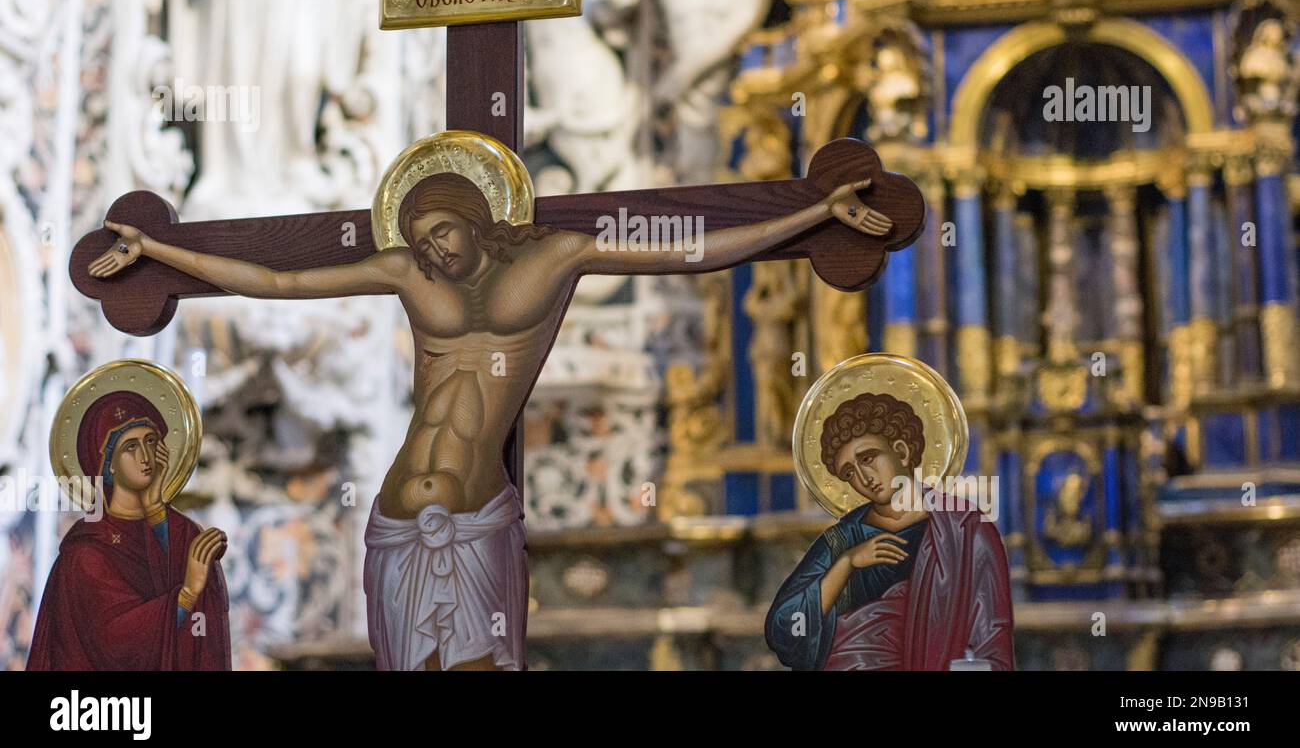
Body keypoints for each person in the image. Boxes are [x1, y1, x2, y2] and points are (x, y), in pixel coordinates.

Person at [89, 168, 891, 670]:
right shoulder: (405, 270)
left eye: (442, 234)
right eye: (422, 241)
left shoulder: (553, 257)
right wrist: (166, 255)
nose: (433, 253)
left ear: (476, 220)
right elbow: (277, 283)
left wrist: (812, 215)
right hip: (398, 519)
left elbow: (693, 248)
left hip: (474, 519)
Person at [765, 391, 1014, 670]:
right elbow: (785, 630)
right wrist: (846, 564)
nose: (864, 478)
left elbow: (990, 635)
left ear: (902, 451)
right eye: (849, 472)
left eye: (868, 458)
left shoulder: (966, 529)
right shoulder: (842, 540)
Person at [28, 391, 230, 670]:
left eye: (150, 441)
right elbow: (117, 639)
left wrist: (156, 508)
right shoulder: (85, 550)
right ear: (108, 464)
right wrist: (186, 594)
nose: (145, 456)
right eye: (130, 447)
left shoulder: (181, 532)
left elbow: (202, 628)